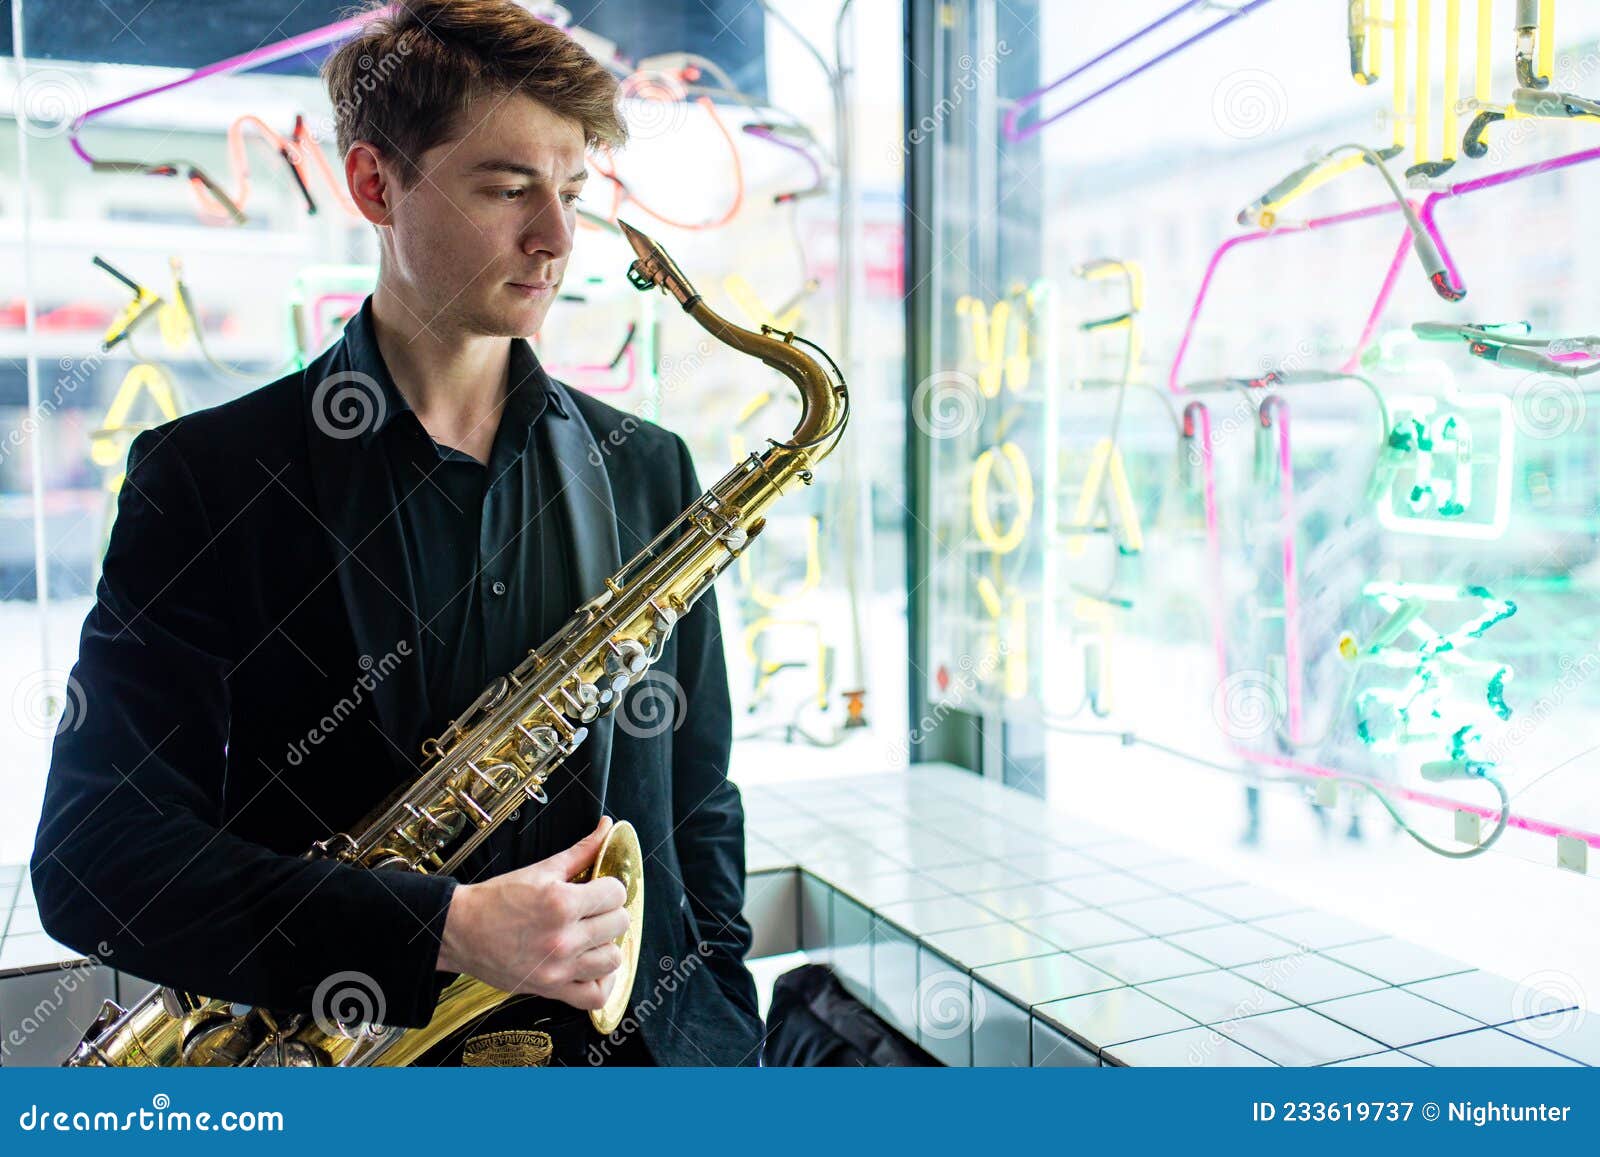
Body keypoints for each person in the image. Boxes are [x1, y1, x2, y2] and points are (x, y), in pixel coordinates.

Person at [30, 0, 763, 1068]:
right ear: (375, 185)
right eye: (509, 187)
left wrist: (724, 1039)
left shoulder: (648, 469)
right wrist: (442, 928)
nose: (556, 237)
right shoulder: (210, 478)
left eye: (571, 190)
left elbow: (698, 807)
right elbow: (96, 855)